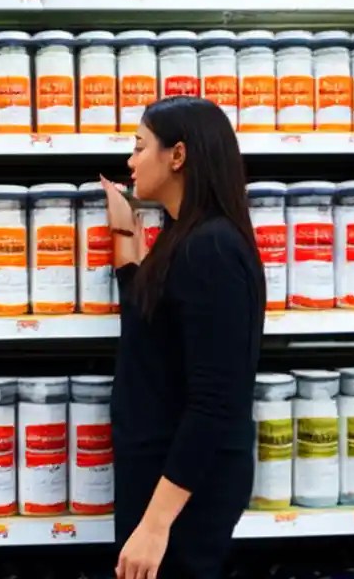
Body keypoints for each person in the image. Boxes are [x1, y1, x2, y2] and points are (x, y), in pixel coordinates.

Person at [101, 96, 265, 579]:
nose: (130, 160)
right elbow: (145, 315)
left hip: (182, 490)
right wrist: (123, 227)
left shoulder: (212, 248)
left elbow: (216, 402)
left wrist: (156, 524)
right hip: (161, 474)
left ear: (178, 156)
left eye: (139, 146)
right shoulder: (183, 237)